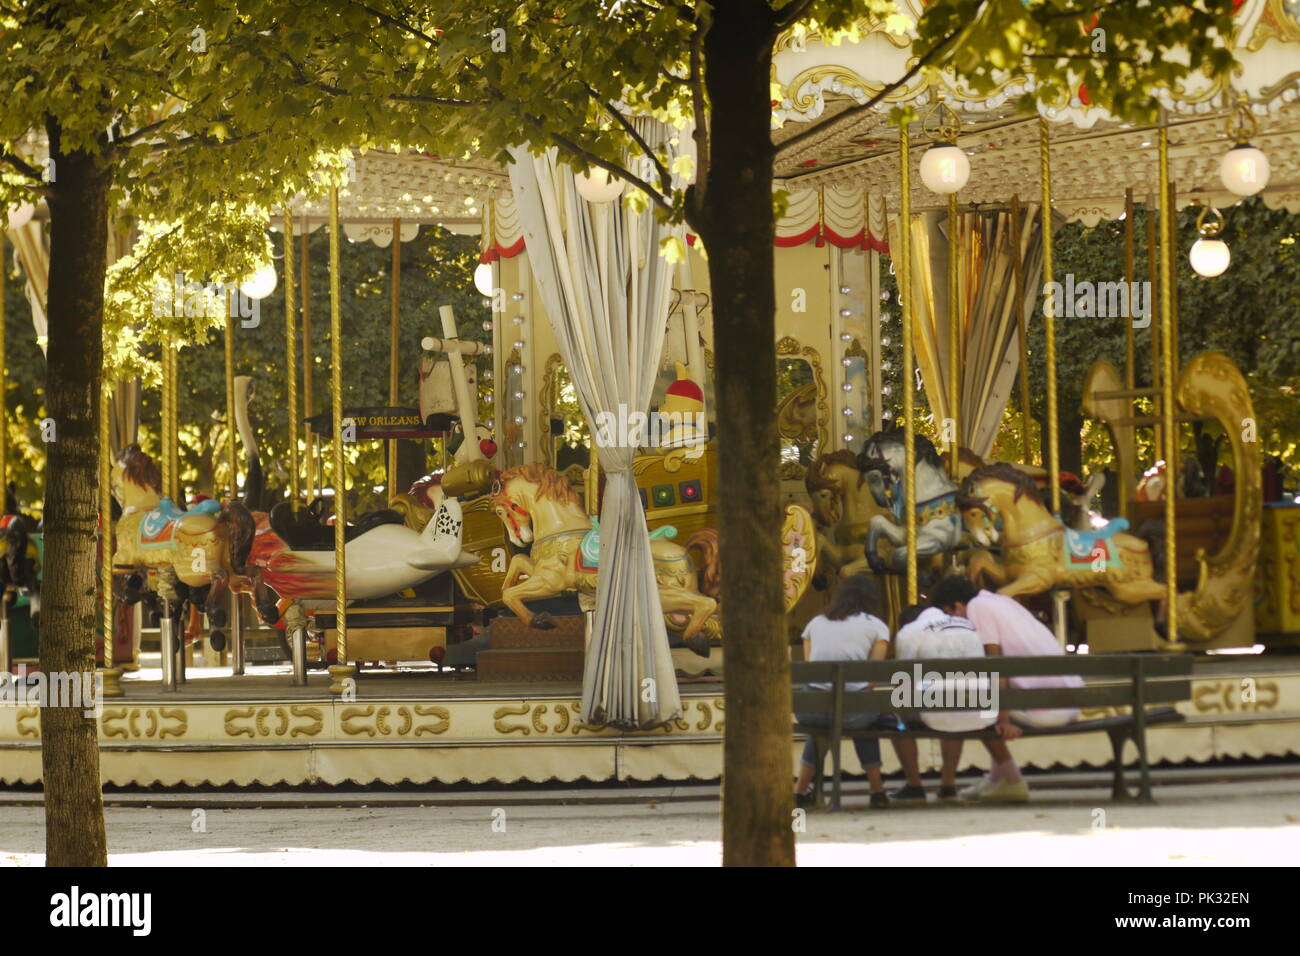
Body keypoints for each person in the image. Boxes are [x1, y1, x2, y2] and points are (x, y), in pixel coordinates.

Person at [929, 575, 1084, 803]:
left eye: (950, 615)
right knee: (979, 701)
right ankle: (996, 778)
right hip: (1067, 699)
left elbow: (996, 666)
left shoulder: (977, 608)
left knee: (966, 706)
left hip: (1046, 707)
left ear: (958, 606)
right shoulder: (1000, 601)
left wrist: (1002, 719)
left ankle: (1012, 780)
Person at [793, 575, 893, 809]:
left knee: (823, 721)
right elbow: (872, 679)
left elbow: (811, 669)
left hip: (811, 710)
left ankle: (800, 791)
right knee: (862, 712)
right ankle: (877, 790)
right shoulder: (877, 627)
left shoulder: (815, 623)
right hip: (854, 714)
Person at [887, 603, 994, 803]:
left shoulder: (909, 632)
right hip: (980, 707)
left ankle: (914, 785)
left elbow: (903, 678)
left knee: (898, 718)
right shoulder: (969, 625)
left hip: (937, 709)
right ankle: (948, 784)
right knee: (955, 702)